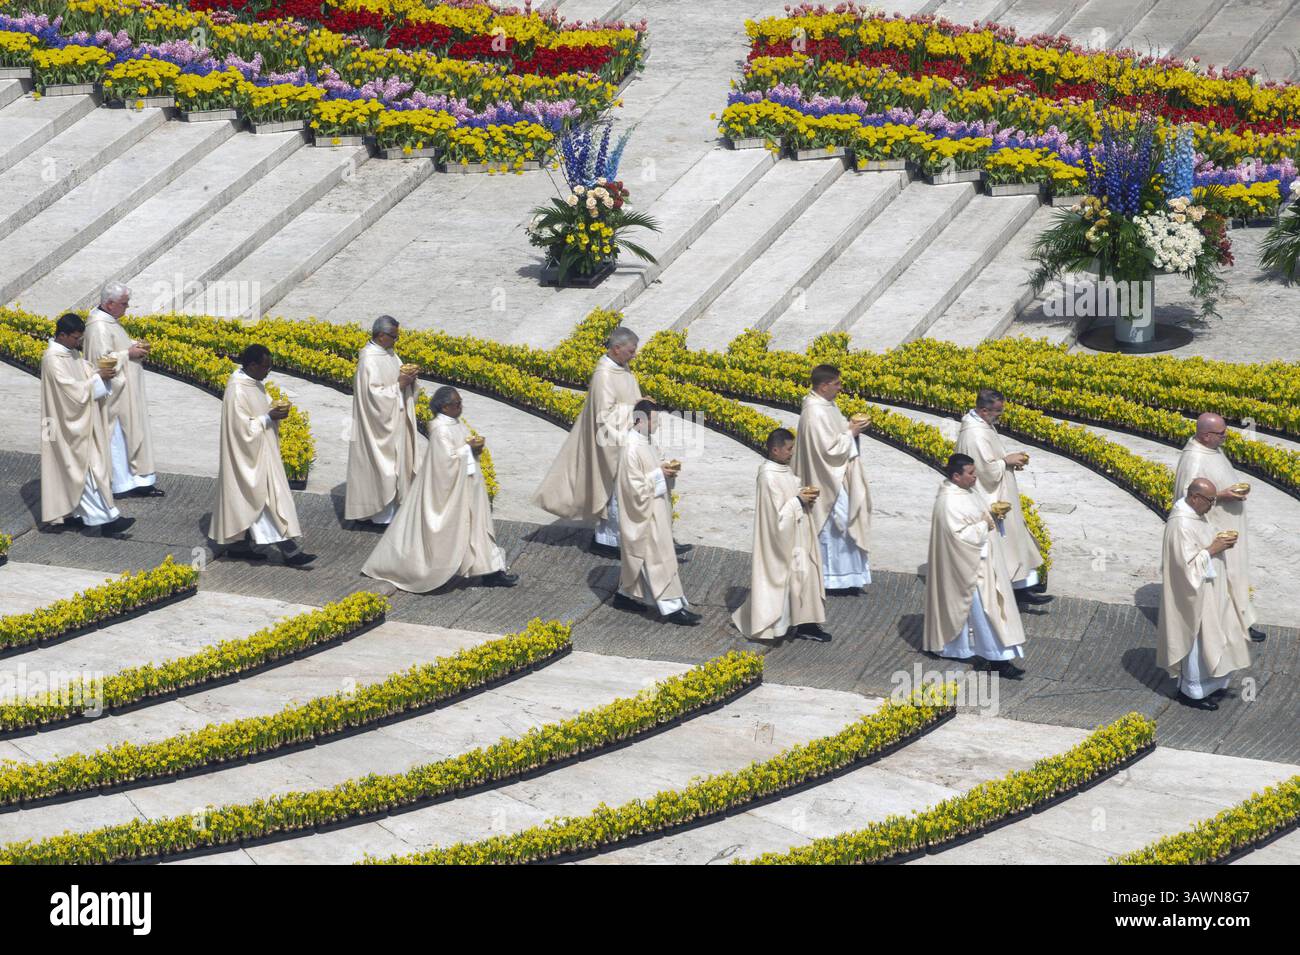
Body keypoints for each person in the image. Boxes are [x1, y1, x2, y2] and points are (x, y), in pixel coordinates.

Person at [362, 387, 517, 592]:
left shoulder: (454, 424)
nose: (460, 407)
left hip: (467, 485)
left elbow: (460, 453)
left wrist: (474, 451)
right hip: (450, 491)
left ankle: (490, 571)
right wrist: (468, 450)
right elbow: (444, 462)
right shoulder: (440, 429)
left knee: (478, 529)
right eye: (457, 404)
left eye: (460, 402)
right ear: (444, 407)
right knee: (461, 530)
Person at [534, 326, 665, 556]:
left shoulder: (621, 367)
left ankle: (635, 537)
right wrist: (636, 409)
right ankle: (609, 541)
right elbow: (605, 416)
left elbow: (626, 400)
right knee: (617, 494)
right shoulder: (604, 375)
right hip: (612, 442)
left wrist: (641, 402)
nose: (634, 355)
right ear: (616, 349)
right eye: (631, 350)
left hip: (627, 436)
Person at [922, 453, 1026, 678]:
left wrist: (991, 513)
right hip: (968, 568)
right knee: (987, 613)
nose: (975, 477)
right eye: (971, 473)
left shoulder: (966, 491)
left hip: (979, 560)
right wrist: (987, 522)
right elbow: (958, 535)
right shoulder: (948, 501)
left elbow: (975, 517)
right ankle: (999, 660)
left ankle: (955, 648)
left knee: (977, 612)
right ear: (956, 475)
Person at [209, 344, 314, 565]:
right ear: (252, 365)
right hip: (247, 458)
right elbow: (240, 429)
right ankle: (291, 552)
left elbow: (259, 412)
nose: (268, 371)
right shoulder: (237, 389)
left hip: (260, 452)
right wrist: (268, 418)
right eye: (265, 367)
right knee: (267, 500)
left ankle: (239, 546)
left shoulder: (253, 383)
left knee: (251, 501)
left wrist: (274, 413)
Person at [1157, 477, 1252, 711]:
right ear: (1194, 497)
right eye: (1210, 500)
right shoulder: (1181, 524)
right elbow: (1184, 567)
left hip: (1211, 588)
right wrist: (1213, 549)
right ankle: (1193, 691)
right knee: (1199, 638)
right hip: (1196, 595)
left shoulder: (1195, 513)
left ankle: (1214, 683)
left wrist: (1218, 544)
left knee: (1218, 632)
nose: (1212, 504)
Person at [39, 313, 134, 536]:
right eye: (75, 338)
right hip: (66, 427)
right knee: (85, 471)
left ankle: (80, 514)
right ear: (61, 335)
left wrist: (101, 373)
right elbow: (70, 392)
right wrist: (97, 379)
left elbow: (85, 371)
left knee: (84, 471)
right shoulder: (52, 359)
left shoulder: (70, 353)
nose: (79, 343)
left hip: (77, 423)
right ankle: (108, 521)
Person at [955, 388, 1050, 607]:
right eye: (998, 411)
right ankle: (1013, 591)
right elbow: (983, 470)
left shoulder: (982, 425)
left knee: (1014, 542)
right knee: (1005, 544)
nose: (1001, 414)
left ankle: (1022, 588)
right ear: (984, 410)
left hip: (999, 489)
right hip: (989, 495)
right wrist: (1006, 461)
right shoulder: (974, 433)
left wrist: (1009, 461)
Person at [1173, 413, 1263, 641]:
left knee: (1236, 576)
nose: (1226, 436)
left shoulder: (1212, 449)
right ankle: (1228, 628)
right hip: (1213, 532)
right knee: (1224, 579)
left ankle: (1240, 622)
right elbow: (1188, 497)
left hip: (1227, 528)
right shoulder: (1194, 458)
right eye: (1220, 433)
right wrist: (1222, 495)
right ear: (1205, 436)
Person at [732, 428, 828, 642]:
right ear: (775, 450)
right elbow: (775, 519)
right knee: (786, 582)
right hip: (782, 542)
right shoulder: (767, 476)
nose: (792, 452)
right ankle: (775, 627)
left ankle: (805, 624)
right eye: (789, 448)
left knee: (804, 578)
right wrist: (799, 501)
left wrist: (803, 494)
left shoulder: (783, 469)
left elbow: (790, 496)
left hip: (798, 536)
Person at [612, 400, 700, 625]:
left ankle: (624, 595)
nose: (658, 426)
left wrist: (665, 469)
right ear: (641, 420)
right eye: (655, 421)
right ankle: (671, 607)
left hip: (656, 507)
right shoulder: (631, 447)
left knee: (644, 558)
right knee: (658, 557)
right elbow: (633, 488)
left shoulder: (646, 440)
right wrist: (659, 474)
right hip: (644, 513)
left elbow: (654, 465)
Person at [792, 364, 871, 593]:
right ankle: (831, 579)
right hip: (825, 479)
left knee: (844, 523)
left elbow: (834, 438)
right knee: (836, 524)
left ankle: (849, 577)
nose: (840, 388)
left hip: (834, 474)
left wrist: (850, 431)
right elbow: (826, 450)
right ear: (824, 385)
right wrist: (851, 433)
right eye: (837, 383)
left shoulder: (827, 405)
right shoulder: (814, 411)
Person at [83, 281, 162, 497]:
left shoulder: (109, 321)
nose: (127, 308)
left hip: (128, 392)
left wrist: (132, 346)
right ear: (109, 304)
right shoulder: (98, 326)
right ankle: (121, 484)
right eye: (124, 304)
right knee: (118, 440)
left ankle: (139, 480)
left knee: (132, 435)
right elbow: (102, 363)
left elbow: (115, 348)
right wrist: (129, 353)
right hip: (114, 397)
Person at [344, 315, 419, 526]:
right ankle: (376, 515)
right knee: (381, 468)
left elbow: (397, 377)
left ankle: (391, 514)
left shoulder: (389, 354)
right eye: (393, 337)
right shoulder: (368, 359)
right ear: (380, 335)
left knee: (396, 467)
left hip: (394, 420)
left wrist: (410, 380)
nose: (396, 341)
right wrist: (400, 386)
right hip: (376, 426)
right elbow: (372, 397)